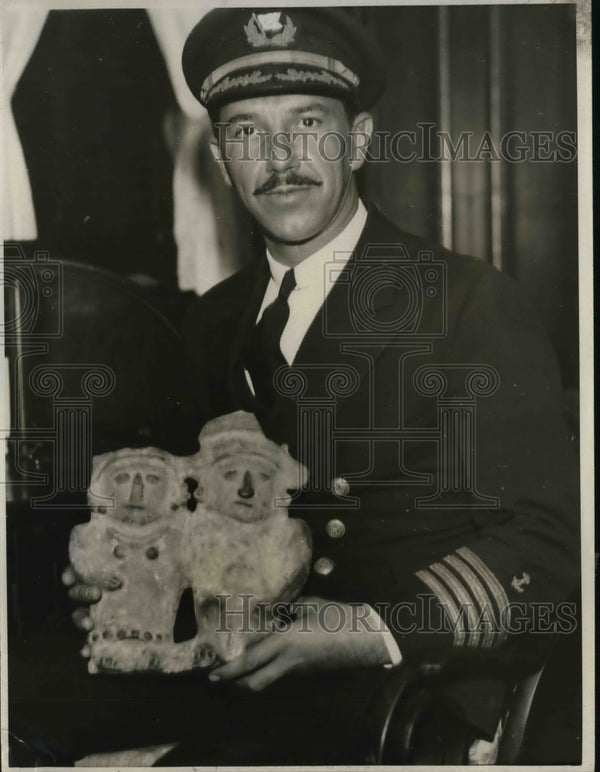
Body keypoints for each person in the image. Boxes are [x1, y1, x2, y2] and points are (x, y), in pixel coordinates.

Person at [63, 7, 579, 764]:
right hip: (233, 687)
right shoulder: (208, 325)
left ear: (361, 140)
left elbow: (548, 542)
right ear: (218, 157)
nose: (279, 158)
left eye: (309, 124)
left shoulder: (465, 303)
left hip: (403, 701)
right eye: (246, 131)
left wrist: (368, 630)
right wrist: (127, 571)